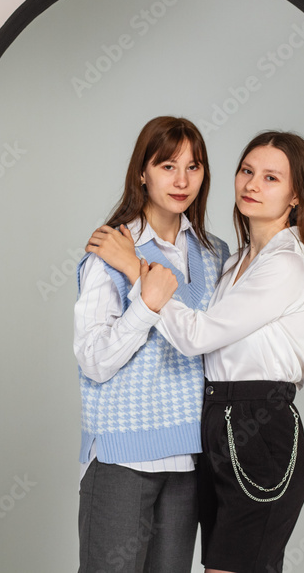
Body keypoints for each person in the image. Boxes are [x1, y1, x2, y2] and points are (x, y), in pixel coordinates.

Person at [87, 130, 304, 573]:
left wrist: (134, 270)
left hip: (259, 425)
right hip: (213, 429)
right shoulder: (232, 260)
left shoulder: (286, 263)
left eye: (271, 178)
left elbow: (196, 337)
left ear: (296, 194)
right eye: (246, 171)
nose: (252, 185)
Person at [73, 116, 230, 573]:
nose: (182, 180)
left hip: (189, 459)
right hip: (122, 456)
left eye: (194, 166)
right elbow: (94, 361)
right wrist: (146, 303)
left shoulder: (214, 252)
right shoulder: (111, 248)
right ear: (142, 172)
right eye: (167, 165)